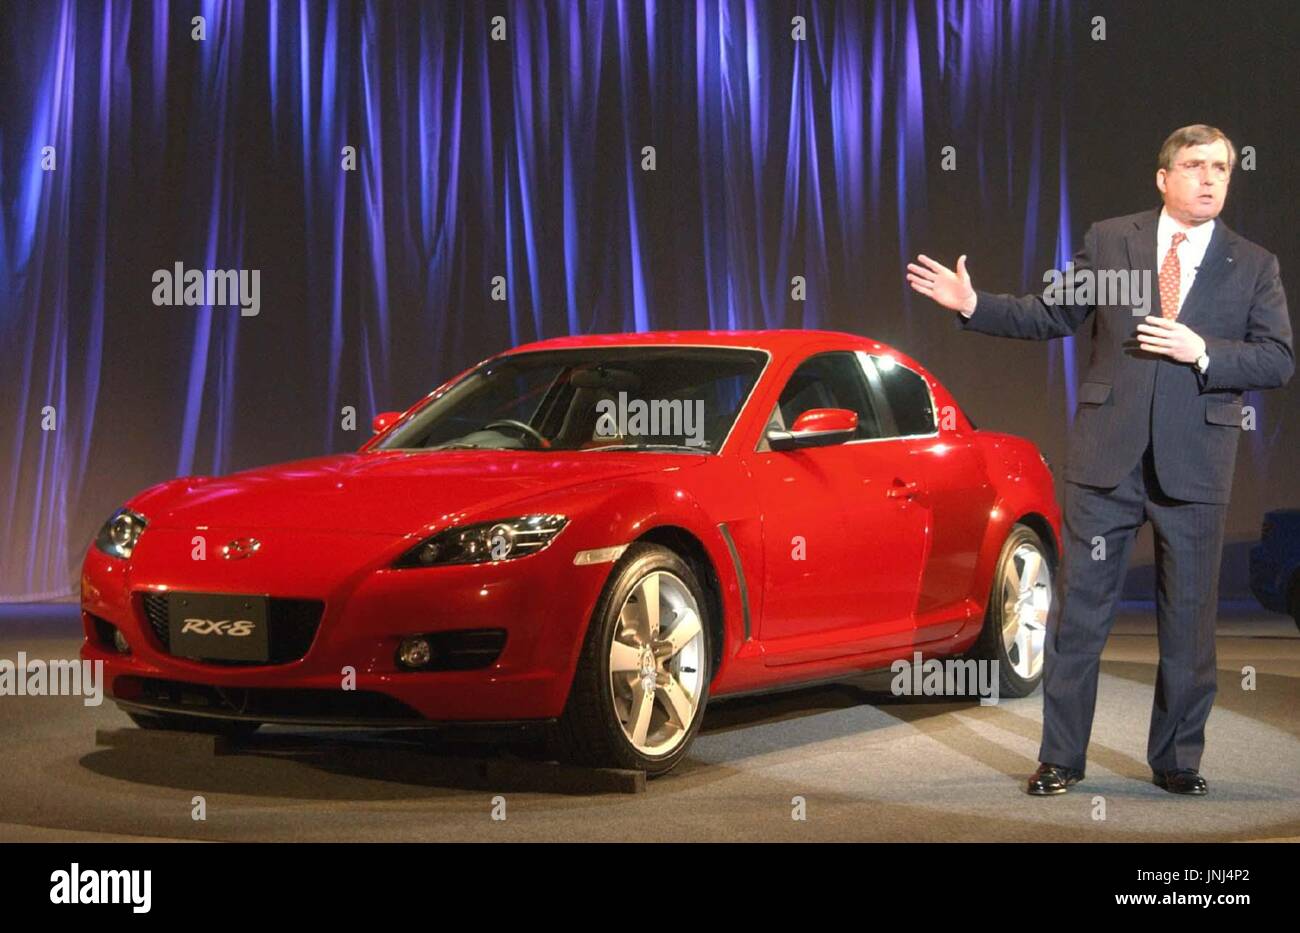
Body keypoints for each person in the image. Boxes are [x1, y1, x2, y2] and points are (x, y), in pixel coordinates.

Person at [906, 124, 1293, 796]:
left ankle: (1176, 760)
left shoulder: (1252, 264)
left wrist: (1201, 350)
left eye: (1223, 168)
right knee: (1079, 617)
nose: (1211, 178)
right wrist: (975, 304)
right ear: (1162, 177)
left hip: (1196, 469)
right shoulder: (1113, 240)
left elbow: (1278, 357)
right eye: (1196, 165)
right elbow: (1050, 313)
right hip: (1106, 464)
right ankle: (1061, 757)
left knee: (1189, 626)